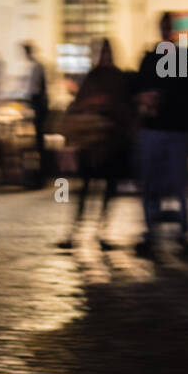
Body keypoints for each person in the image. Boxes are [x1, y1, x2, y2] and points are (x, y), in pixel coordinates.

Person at [131, 12, 188, 258]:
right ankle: (158, 233)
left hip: (173, 130)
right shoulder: (152, 59)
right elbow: (138, 89)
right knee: (156, 185)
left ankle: (179, 234)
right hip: (158, 129)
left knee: (176, 185)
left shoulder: (179, 56)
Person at [57, 38, 133, 250]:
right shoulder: (95, 76)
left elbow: (124, 107)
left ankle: (100, 232)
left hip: (111, 142)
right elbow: (81, 102)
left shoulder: (115, 77)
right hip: (93, 143)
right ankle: (77, 232)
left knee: (106, 190)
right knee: (87, 189)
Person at [19, 42, 50, 187]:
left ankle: (41, 176)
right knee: (38, 142)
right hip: (39, 106)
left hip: (39, 106)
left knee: (39, 142)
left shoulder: (36, 67)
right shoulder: (37, 66)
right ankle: (41, 175)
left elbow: (34, 89)